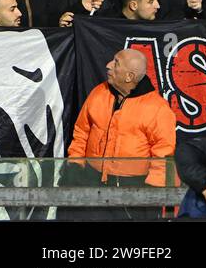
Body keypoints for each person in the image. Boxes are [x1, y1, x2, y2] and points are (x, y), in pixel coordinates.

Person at [68, 49, 176, 217]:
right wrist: (75, 163)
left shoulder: (157, 108)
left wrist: (153, 194)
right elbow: (82, 130)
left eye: (116, 62)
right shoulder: (99, 92)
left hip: (132, 190)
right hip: (91, 181)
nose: (108, 65)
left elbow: (164, 153)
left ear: (129, 77)